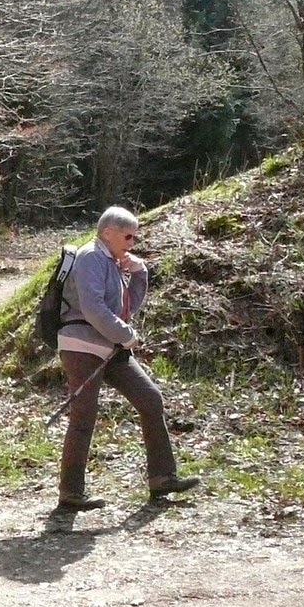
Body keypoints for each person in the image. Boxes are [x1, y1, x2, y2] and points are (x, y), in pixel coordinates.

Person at [55, 206, 200, 511]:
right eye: (128, 236)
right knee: (84, 417)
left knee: (150, 399)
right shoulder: (91, 256)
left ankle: (162, 478)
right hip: (82, 346)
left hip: (111, 347)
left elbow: (127, 308)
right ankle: (70, 493)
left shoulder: (112, 261)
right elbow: (93, 308)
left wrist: (139, 273)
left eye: (135, 236)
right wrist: (125, 334)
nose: (133, 242)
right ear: (108, 233)